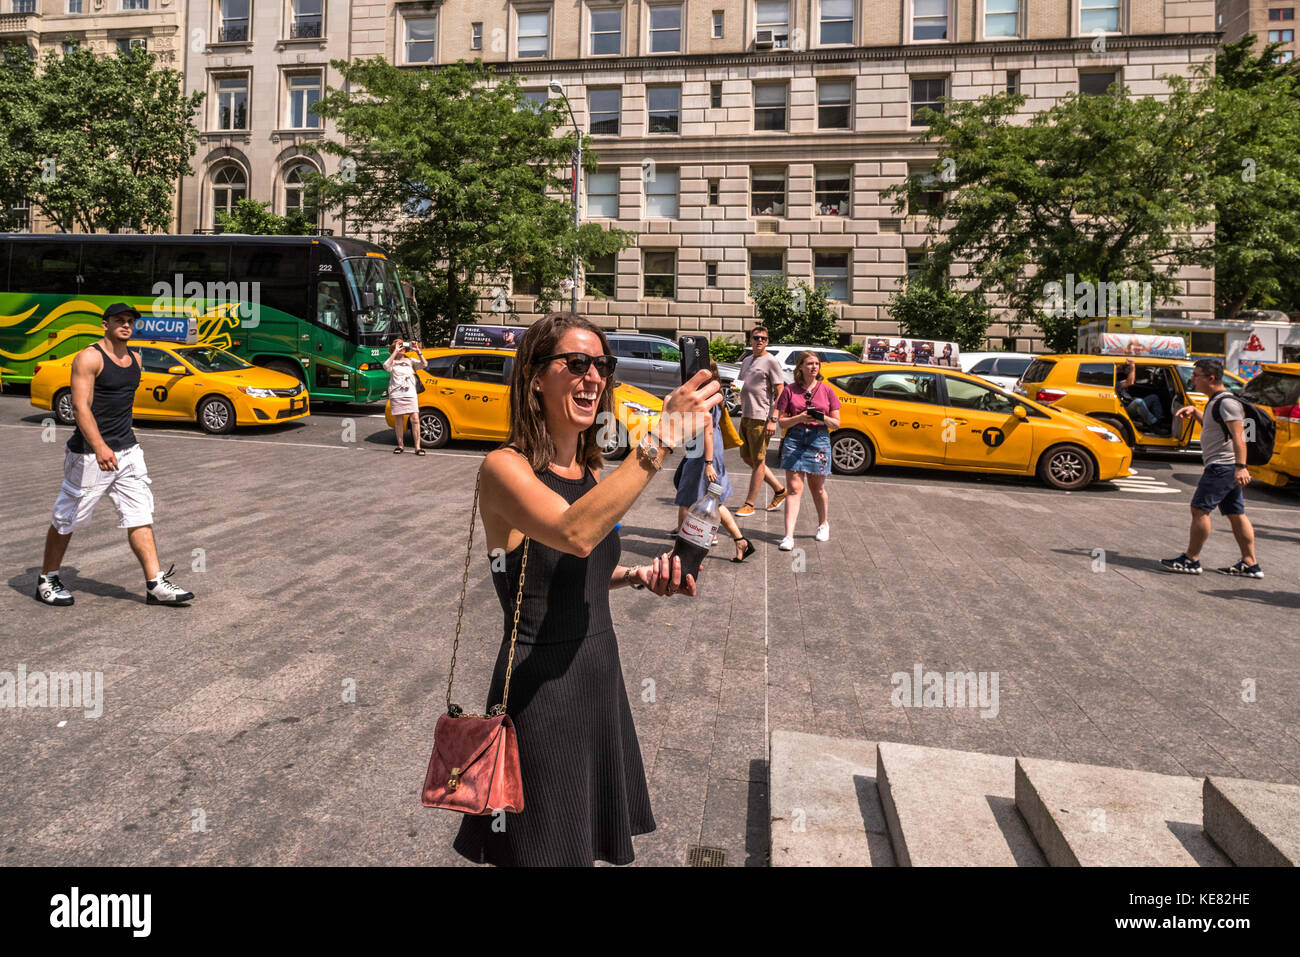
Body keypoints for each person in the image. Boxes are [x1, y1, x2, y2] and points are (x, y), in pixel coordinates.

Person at [452, 312, 721, 867]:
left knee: (581, 844)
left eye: (602, 365)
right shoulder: (505, 469)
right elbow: (574, 533)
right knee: (544, 849)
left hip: (597, 669)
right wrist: (661, 438)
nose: (593, 377)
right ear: (533, 376)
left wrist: (639, 576)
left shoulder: (590, 472)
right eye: (575, 363)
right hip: (541, 688)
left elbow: (583, 564)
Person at [36, 303, 194, 607]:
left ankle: (155, 583)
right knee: (67, 519)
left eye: (130, 321)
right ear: (104, 324)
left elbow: (123, 404)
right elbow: (81, 408)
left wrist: (125, 439)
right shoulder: (89, 357)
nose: (126, 325)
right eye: (119, 320)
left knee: (140, 515)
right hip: (88, 455)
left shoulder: (135, 357)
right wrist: (100, 446)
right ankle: (47, 578)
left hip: (128, 451)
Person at [1160, 358, 1262, 578]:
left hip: (1222, 467)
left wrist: (1241, 467)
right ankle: (1250, 563)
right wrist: (1195, 412)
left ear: (1211, 378)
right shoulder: (1215, 401)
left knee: (1199, 509)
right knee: (1236, 513)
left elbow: (1239, 436)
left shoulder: (1227, 403)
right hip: (1226, 467)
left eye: (1196, 375)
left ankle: (1191, 559)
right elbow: (1214, 430)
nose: (1192, 379)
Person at [673, 361, 755, 563]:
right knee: (713, 500)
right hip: (704, 449)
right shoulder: (711, 392)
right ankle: (741, 541)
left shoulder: (704, 396)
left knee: (686, 500)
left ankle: (680, 552)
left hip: (704, 453)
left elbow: (707, 431)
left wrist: (708, 462)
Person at [774, 351, 841, 551]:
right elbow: (781, 421)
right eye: (809, 363)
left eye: (816, 364)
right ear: (800, 367)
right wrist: (800, 418)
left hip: (818, 439)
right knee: (794, 489)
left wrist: (820, 417)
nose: (814, 367)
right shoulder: (789, 391)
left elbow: (837, 423)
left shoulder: (827, 390)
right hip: (794, 439)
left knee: (817, 488)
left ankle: (823, 524)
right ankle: (788, 536)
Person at [734, 325, 786, 517]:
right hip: (745, 415)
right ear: (750, 340)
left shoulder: (770, 361)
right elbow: (744, 384)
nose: (759, 341)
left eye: (763, 338)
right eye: (756, 337)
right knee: (748, 458)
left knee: (758, 461)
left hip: (761, 417)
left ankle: (750, 504)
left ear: (767, 341)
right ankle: (780, 490)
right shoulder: (747, 360)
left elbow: (780, 392)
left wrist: (773, 419)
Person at [384, 338, 426, 454]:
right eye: (399, 346)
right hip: (397, 393)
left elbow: (424, 364)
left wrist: (418, 350)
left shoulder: (410, 361)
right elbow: (386, 366)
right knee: (399, 420)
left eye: (403, 347)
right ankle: (400, 445)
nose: (402, 348)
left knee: (415, 419)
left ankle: (417, 447)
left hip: (410, 392)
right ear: (394, 348)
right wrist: (395, 352)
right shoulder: (392, 362)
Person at [1115, 357, 1164, 434]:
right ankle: (1153, 424)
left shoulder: (1119, 380)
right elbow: (1130, 382)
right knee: (1138, 402)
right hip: (1125, 409)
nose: (1122, 370)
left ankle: (1159, 422)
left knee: (1154, 397)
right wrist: (1132, 366)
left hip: (1129, 402)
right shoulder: (1115, 383)